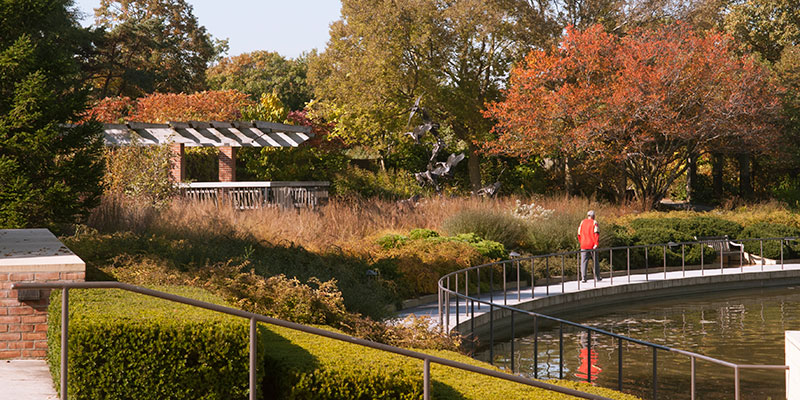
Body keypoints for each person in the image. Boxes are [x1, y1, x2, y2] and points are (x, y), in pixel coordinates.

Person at [577, 210, 601, 282]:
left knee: (583, 262)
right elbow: (596, 233)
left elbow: (578, 233)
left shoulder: (582, 222)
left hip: (583, 245)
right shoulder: (594, 222)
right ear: (593, 216)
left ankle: (583, 278)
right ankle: (597, 277)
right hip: (592, 245)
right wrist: (596, 243)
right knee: (595, 261)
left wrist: (581, 242)